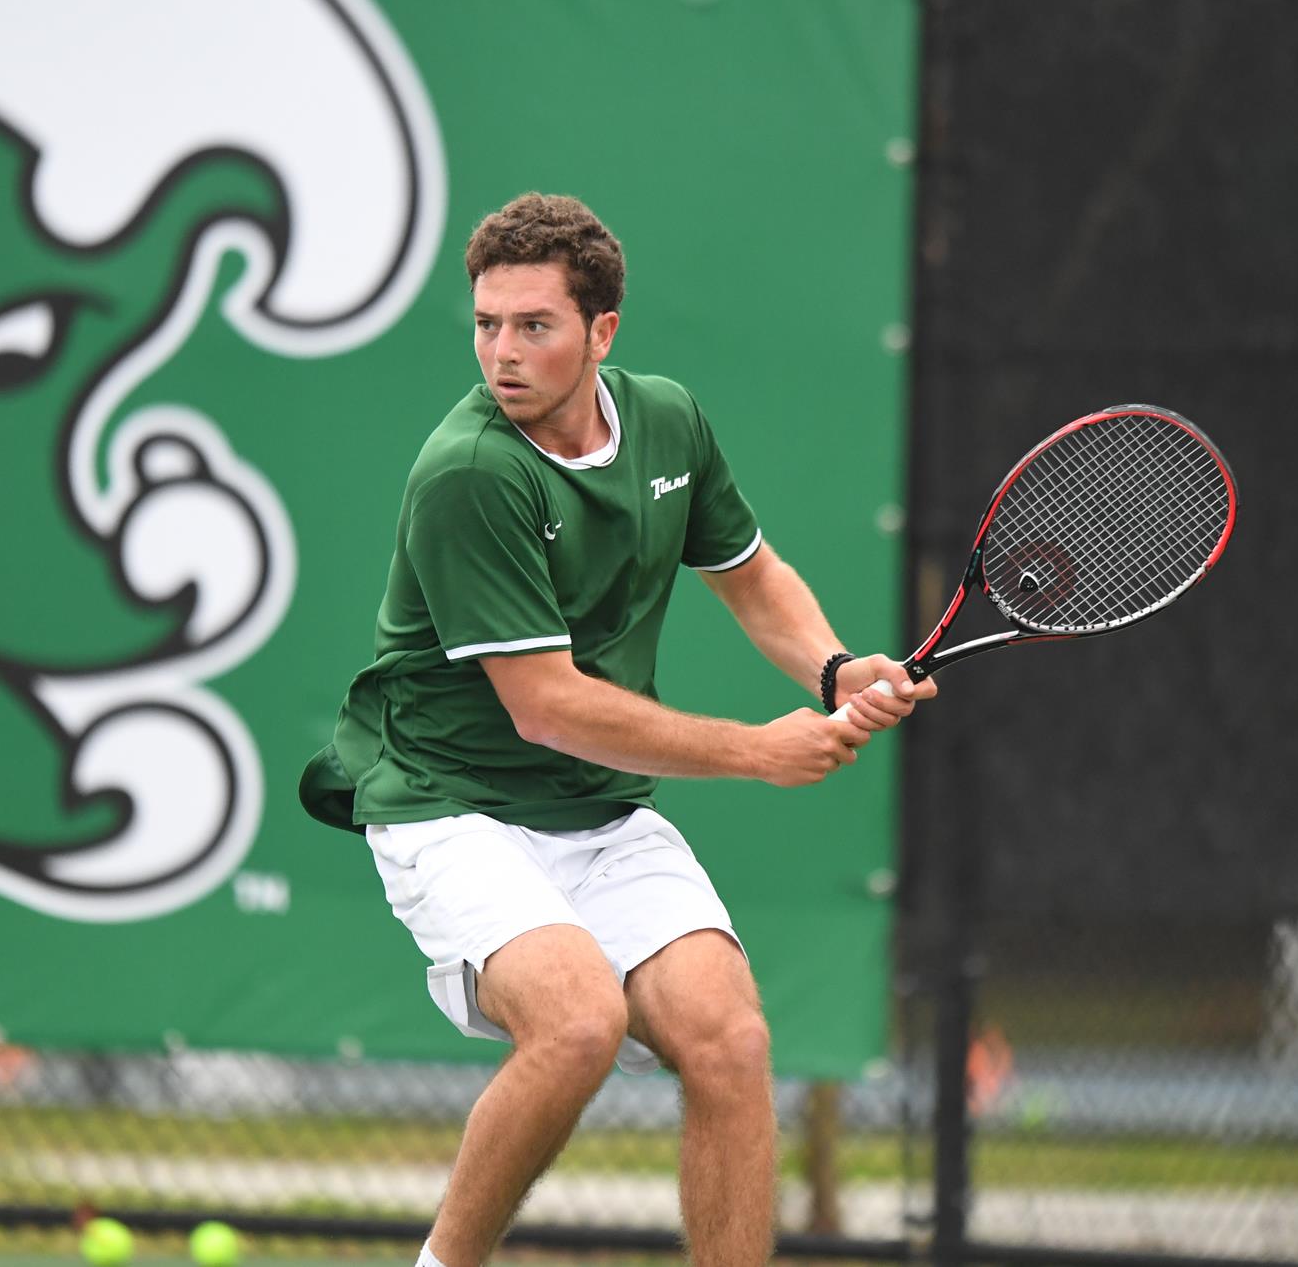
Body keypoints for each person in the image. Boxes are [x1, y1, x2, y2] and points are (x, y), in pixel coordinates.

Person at [299, 192, 936, 1267]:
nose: (501, 352)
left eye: (532, 326)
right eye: (485, 324)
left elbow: (748, 575)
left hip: (593, 815)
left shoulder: (667, 422)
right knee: (578, 1021)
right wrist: (757, 749)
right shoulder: (470, 472)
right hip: (449, 809)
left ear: (602, 331)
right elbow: (545, 706)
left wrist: (830, 669)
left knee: (729, 1042)